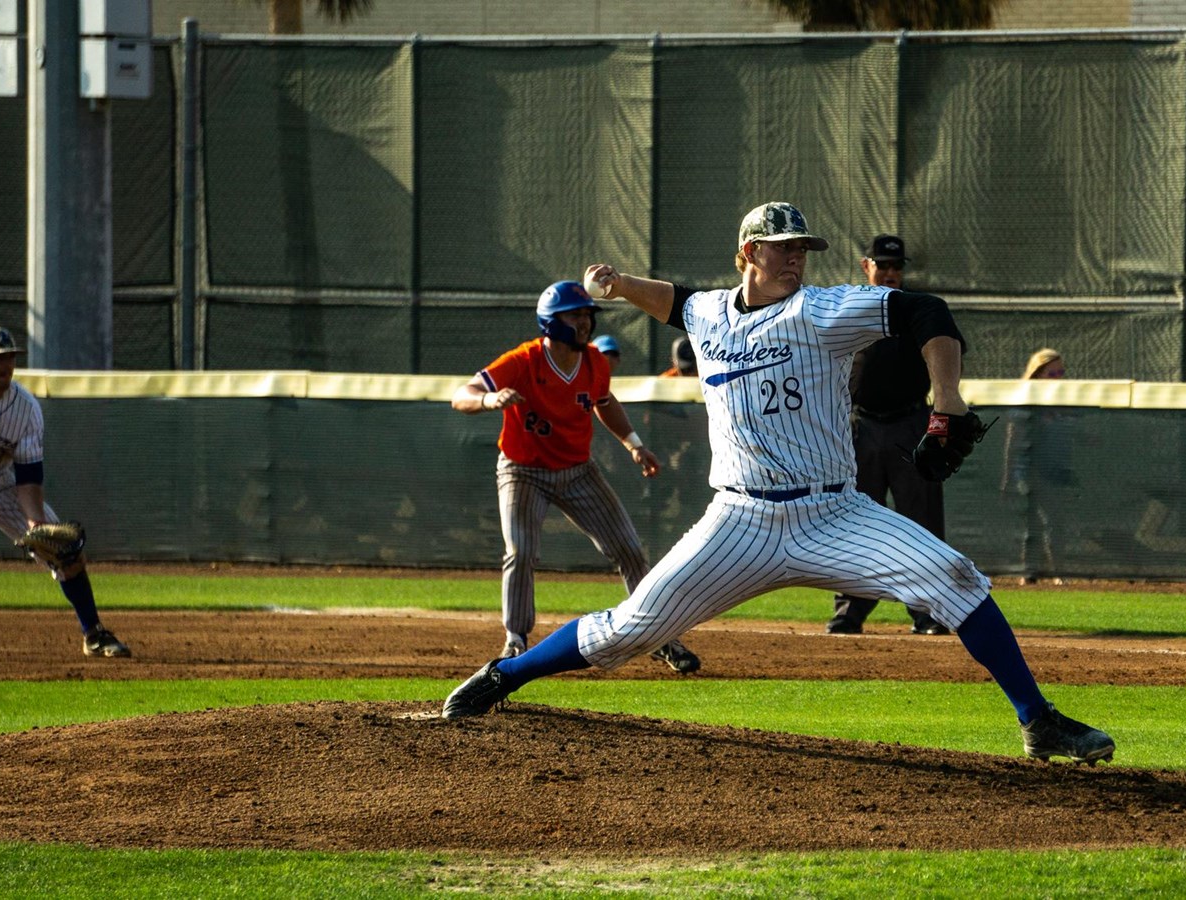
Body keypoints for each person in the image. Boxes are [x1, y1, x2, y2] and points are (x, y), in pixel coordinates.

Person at [443, 202, 1115, 765]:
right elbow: (675, 302)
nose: (796, 257)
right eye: (781, 247)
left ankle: (1038, 719)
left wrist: (946, 398)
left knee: (955, 577)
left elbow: (927, 312)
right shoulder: (709, 312)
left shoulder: (822, 311)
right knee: (630, 633)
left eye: (802, 247)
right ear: (747, 254)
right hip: (739, 521)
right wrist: (618, 285)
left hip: (832, 515)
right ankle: (505, 674)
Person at [453, 281, 700, 672]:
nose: (585, 322)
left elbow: (604, 402)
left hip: (576, 471)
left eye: (587, 314)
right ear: (551, 322)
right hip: (523, 470)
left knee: (630, 550)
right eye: (576, 314)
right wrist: (487, 399)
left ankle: (658, 635)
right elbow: (461, 394)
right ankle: (515, 641)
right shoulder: (524, 360)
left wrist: (633, 444)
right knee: (520, 551)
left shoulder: (594, 363)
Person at [0, 326, 130, 658]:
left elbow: (29, 476)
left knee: (64, 551)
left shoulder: (25, 408)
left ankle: (94, 634)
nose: (6, 364)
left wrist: (35, 524)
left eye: (11, 357)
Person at [825, 234, 949, 636]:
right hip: (859, 427)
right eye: (884, 266)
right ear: (867, 266)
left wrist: (942, 418)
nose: (891, 273)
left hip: (910, 425)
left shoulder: (917, 311)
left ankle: (929, 612)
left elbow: (947, 354)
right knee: (853, 522)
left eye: (897, 267)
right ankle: (849, 612)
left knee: (922, 523)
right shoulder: (844, 308)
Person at [1001, 349, 1073, 586]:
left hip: (1058, 470)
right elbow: (1012, 442)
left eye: (1060, 372)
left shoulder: (1065, 399)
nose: (1058, 377)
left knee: (1057, 522)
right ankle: (1029, 574)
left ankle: (1057, 573)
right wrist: (1008, 476)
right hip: (1031, 471)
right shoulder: (1024, 400)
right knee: (1033, 523)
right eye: (1052, 373)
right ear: (1038, 374)